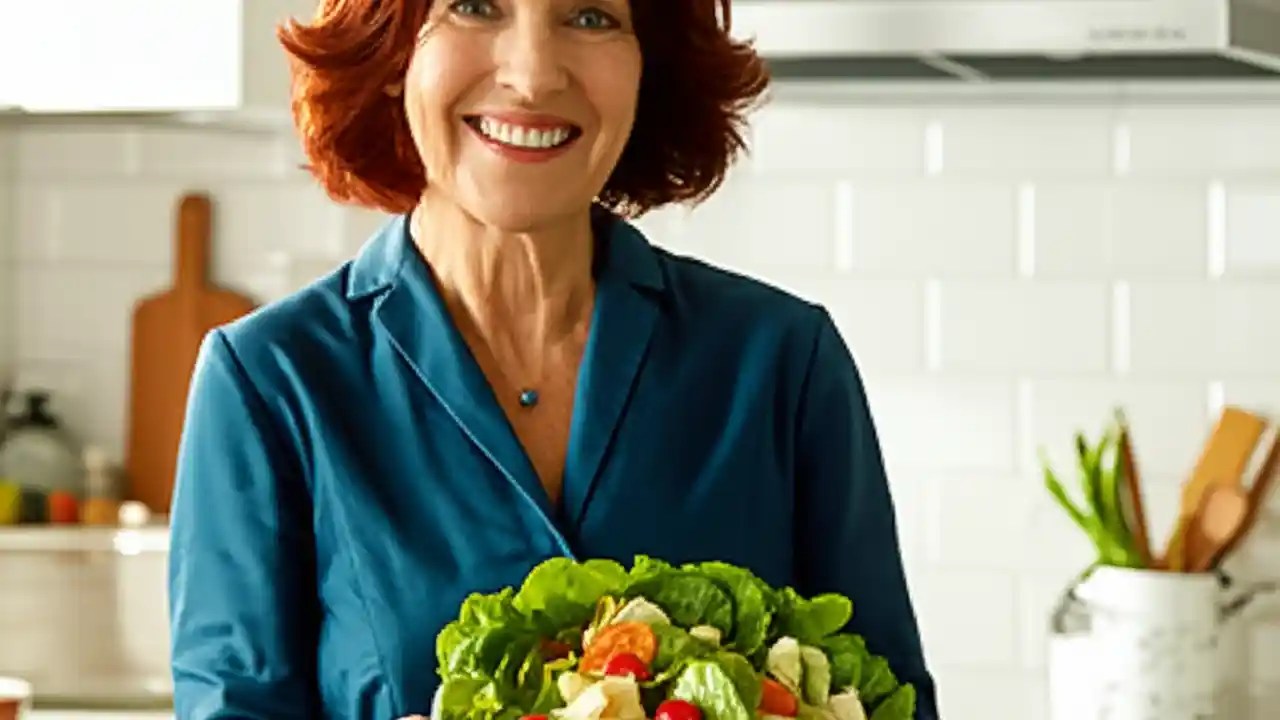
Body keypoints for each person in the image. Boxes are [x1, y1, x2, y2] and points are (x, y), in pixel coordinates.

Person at [166, 0, 939, 718]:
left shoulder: (781, 361)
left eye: (591, 15)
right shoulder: (270, 380)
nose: (533, 75)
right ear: (395, 52)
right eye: (474, 5)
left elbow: (882, 698)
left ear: (648, 65)